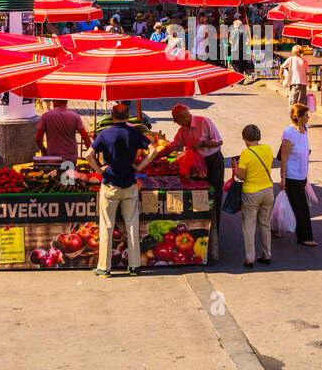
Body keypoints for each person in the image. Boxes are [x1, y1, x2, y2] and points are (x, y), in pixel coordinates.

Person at [87, 104, 163, 277]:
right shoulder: (135, 133)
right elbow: (153, 151)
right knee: (132, 224)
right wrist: (138, 167)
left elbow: (88, 155)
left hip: (110, 184)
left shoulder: (105, 134)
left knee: (106, 226)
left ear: (113, 116)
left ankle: (104, 268)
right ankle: (134, 266)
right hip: (129, 184)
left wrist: (99, 170)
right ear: (127, 117)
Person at [168, 104, 224, 231]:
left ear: (184, 116)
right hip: (196, 165)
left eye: (176, 119)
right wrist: (156, 155)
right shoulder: (182, 130)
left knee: (215, 194)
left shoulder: (204, 121)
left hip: (213, 161)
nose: (175, 122)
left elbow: (219, 141)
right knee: (200, 193)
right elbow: (174, 145)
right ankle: (201, 226)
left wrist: (202, 143)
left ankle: (215, 229)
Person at [231, 124, 274, 268]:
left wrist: (235, 166)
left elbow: (241, 175)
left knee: (249, 225)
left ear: (245, 138)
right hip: (268, 190)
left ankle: (250, 258)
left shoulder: (246, 153)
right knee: (265, 223)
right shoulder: (267, 149)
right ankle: (267, 255)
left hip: (251, 193)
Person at [279, 103, 316, 245]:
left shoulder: (305, 129)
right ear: (298, 117)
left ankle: (274, 227)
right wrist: (283, 179)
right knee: (301, 208)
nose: (308, 118)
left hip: (302, 176)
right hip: (291, 177)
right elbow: (284, 157)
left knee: (290, 205)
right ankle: (305, 237)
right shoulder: (289, 133)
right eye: (306, 115)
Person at [35, 99, 91, 164]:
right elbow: (85, 137)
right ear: (66, 102)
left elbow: (38, 138)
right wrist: (90, 154)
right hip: (70, 158)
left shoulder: (46, 116)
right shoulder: (75, 116)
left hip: (53, 158)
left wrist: (44, 152)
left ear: (54, 102)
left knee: (53, 174)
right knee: (70, 174)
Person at [280, 45, 309, 109]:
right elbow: (309, 72)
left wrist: (280, 75)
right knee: (302, 99)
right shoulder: (304, 60)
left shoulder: (290, 59)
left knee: (293, 98)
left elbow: (282, 67)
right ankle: (300, 112)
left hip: (293, 81)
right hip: (303, 82)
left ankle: (292, 111)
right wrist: (310, 82)